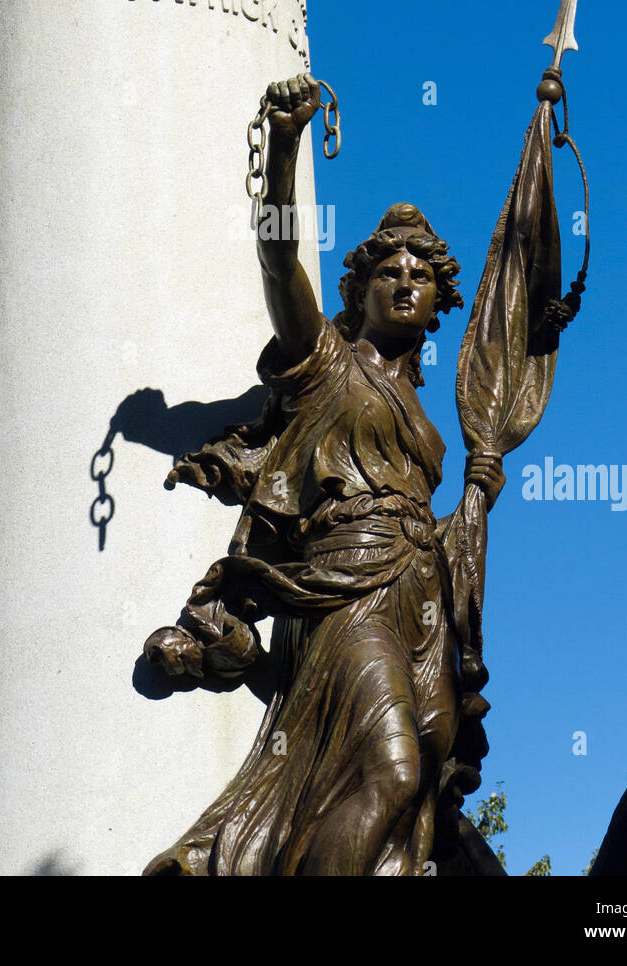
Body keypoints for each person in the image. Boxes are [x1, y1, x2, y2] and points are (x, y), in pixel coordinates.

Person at [143, 74, 505, 876]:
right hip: (344, 589)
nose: (405, 282)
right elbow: (277, 262)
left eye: (421, 275)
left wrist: (476, 493)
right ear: (360, 289)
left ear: (438, 301)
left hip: (420, 598)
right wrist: (281, 146)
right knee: (391, 769)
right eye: (388, 272)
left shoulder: (424, 418)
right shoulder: (325, 366)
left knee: (426, 795)